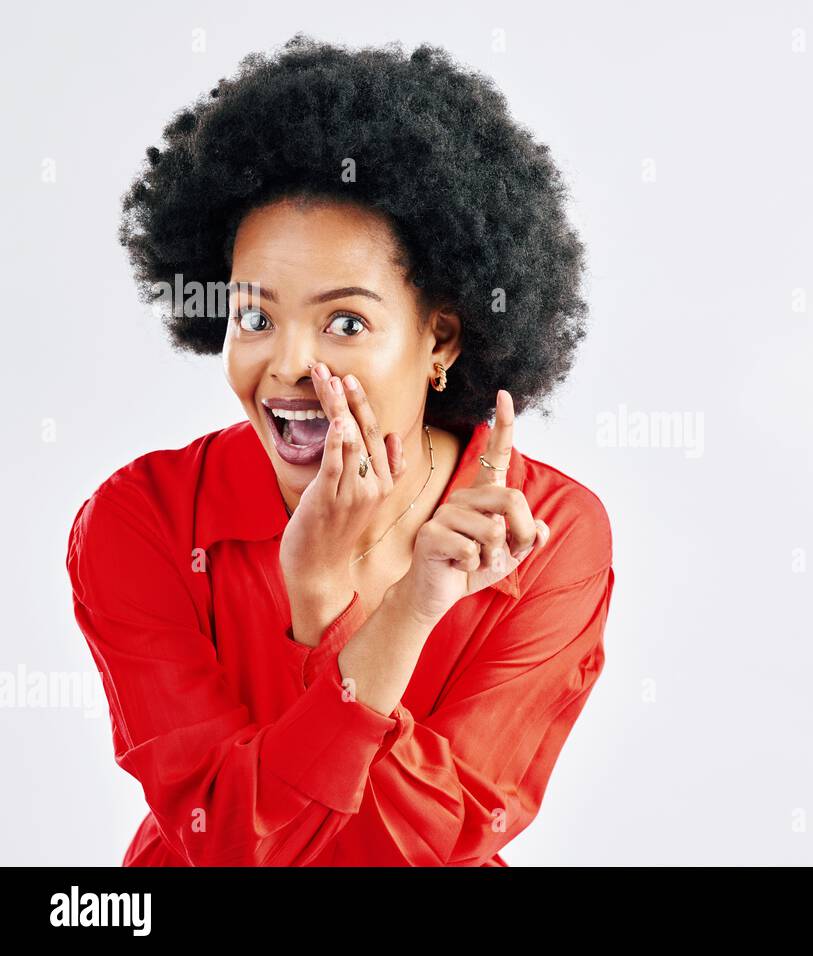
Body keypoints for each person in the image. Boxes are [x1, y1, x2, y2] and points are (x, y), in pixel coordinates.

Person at [64, 34, 613, 866]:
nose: (286, 365)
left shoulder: (548, 534)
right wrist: (355, 603)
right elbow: (225, 837)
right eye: (255, 317)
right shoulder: (143, 519)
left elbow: (437, 840)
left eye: (345, 322)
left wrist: (343, 609)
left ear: (443, 342)